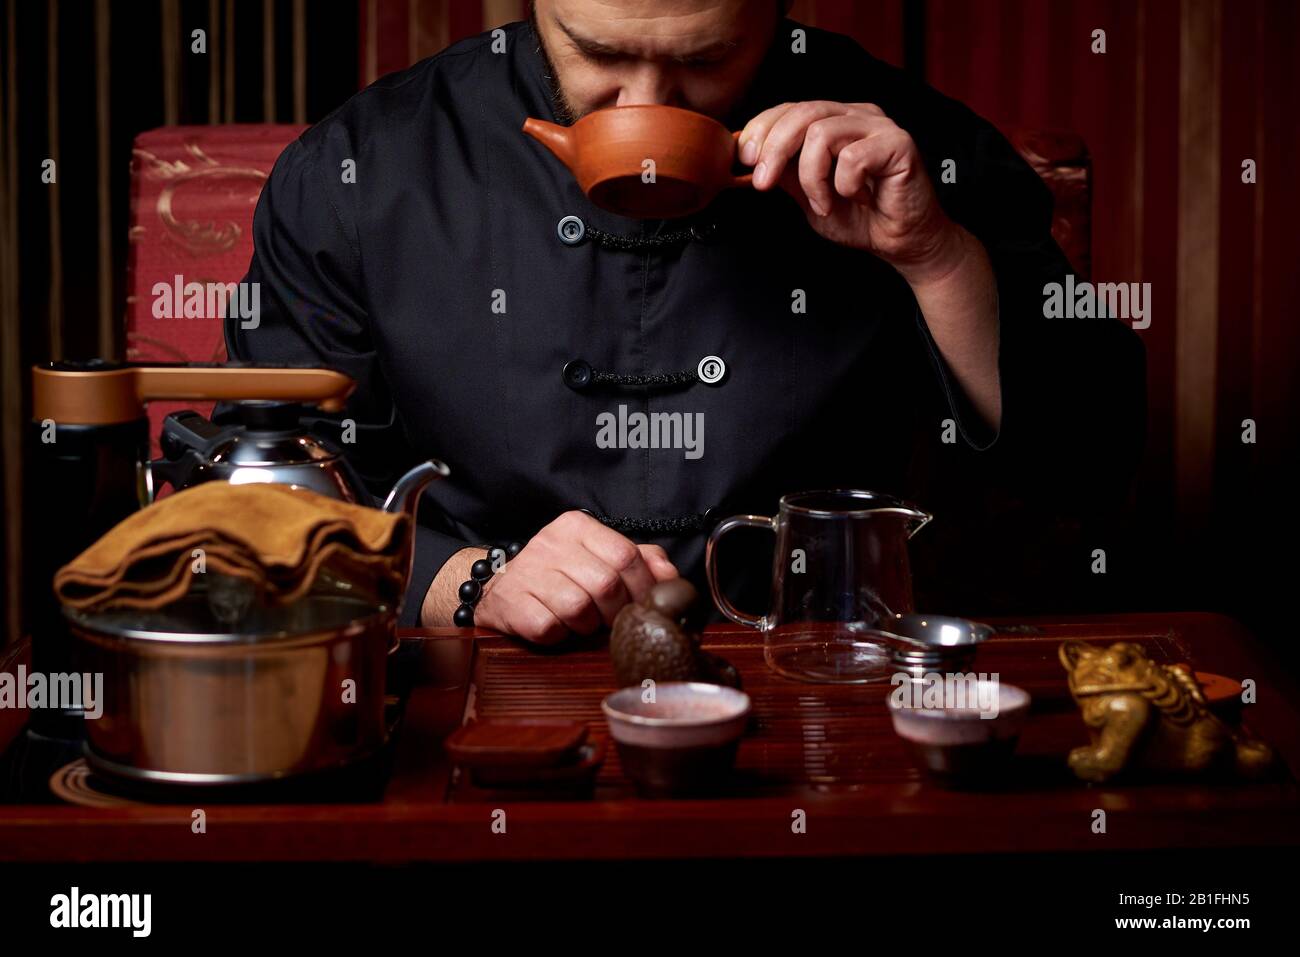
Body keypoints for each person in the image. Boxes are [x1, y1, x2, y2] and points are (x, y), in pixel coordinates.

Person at [224, 0, 1145, 643]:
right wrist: (456, 582)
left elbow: (1095, 459)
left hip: (821, 679)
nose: (647, 109)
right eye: (597, 55)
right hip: (476, 689)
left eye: (705, 62)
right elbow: (250, 501)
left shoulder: (918, 151)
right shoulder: (359, 171)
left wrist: (935, 256)